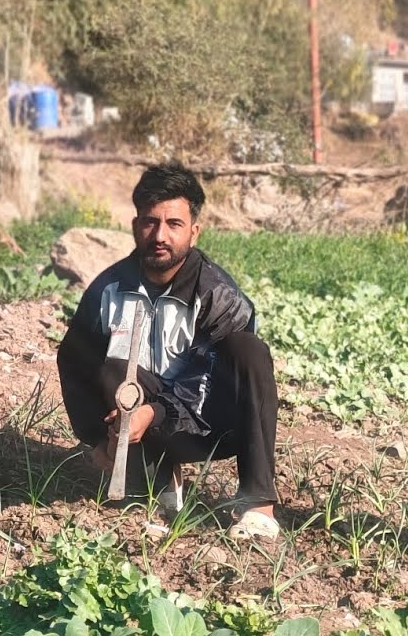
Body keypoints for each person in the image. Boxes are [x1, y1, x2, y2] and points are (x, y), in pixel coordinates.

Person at [55, 162, 280, 540]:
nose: (160, 235)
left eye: (174, 224)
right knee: (112, 366)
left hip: (213, 425)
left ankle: (258, 506)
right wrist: (96, 437)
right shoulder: (108, 289)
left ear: (194, 231)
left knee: (250, 350)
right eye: (150, 222)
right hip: (143, 426)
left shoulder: (219, 295)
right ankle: (156, 479)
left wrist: (154, 412)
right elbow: (74, 360)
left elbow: (202, 379)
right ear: (135, 226)